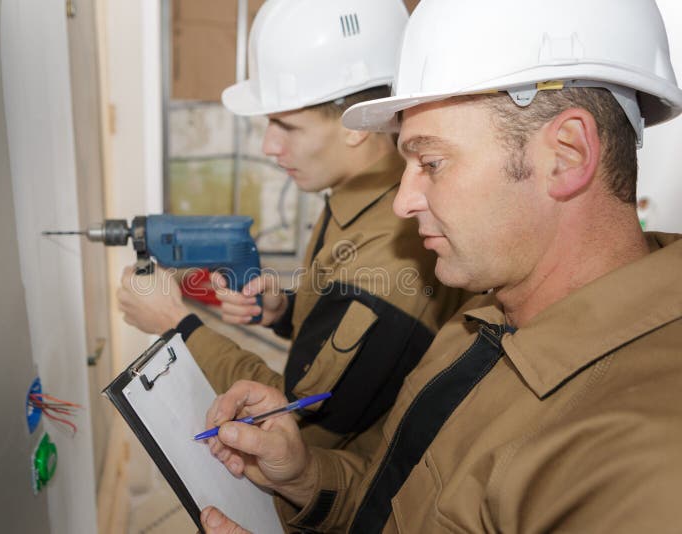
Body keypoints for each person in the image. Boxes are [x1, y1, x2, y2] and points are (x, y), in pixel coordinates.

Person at [195, 0, 682, 532]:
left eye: (432, 163)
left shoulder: (644, 462)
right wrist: (307, 478)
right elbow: (394, 504)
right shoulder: (475, 323)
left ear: (565, 155)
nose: (403, 202)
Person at [117, 0, 465, 458]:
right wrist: (286, 310)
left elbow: (297, 421)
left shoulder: (392, 247)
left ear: (357, 126)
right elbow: (345, 332)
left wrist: (175, 325)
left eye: (285, 125)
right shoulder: (353, 197)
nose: (268, 145)